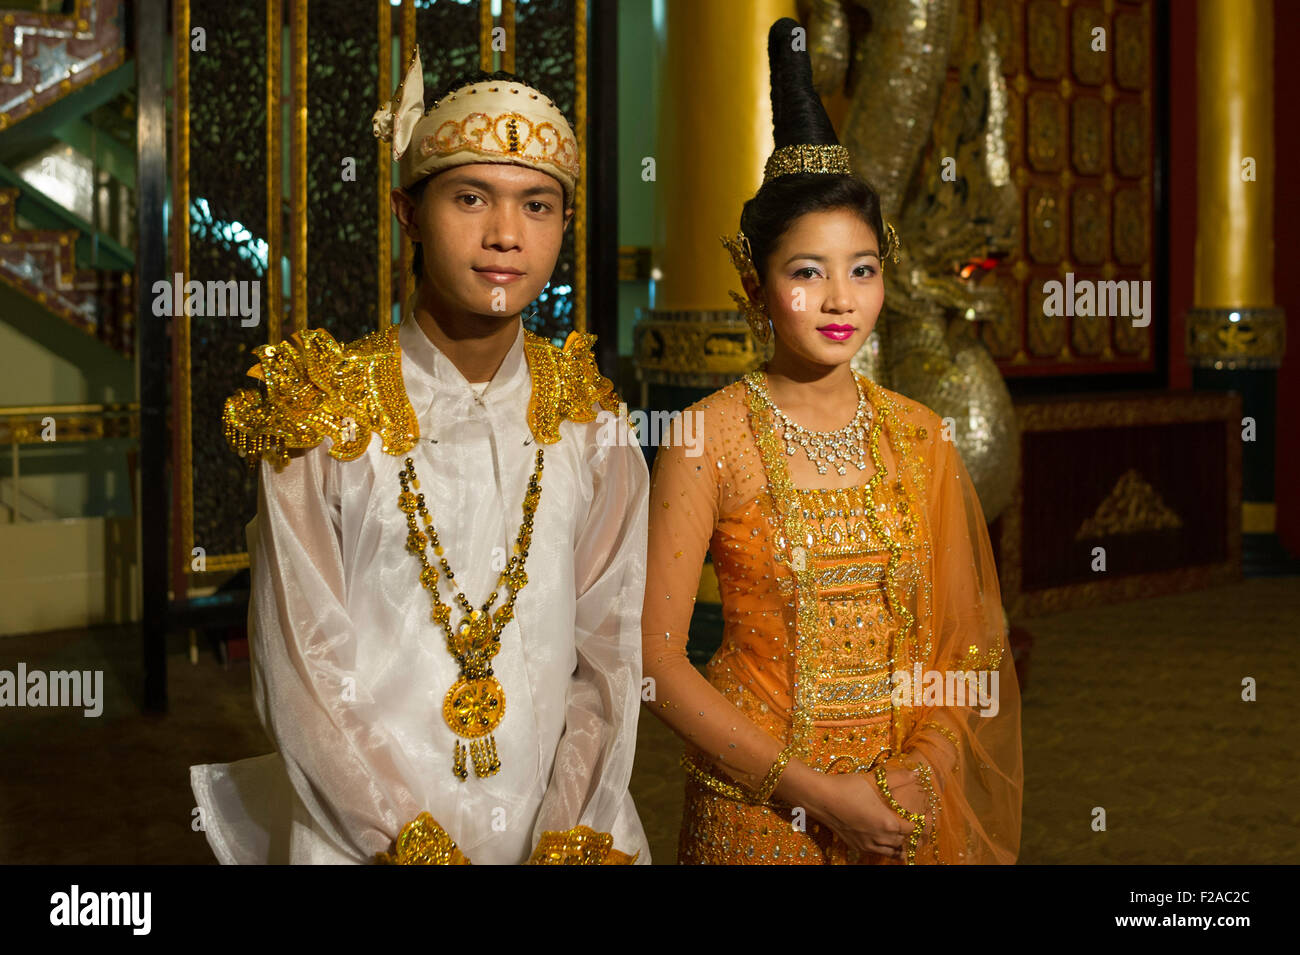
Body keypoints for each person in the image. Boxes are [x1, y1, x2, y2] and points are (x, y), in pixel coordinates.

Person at [190, 47, 649, 865]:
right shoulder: (322, 419)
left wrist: (569, 828)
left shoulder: (592, 426)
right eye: (471, 198)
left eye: (537, 205)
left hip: (561, 833)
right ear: (407, 212)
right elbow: (302, 666)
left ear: (565, 223)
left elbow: (609, 658)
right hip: (362, 838)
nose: (505, 234)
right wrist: (405, 841)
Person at [641, 18, 1022, 865]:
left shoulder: (921, 434)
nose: (840, 298)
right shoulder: (707, 435)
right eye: (806, 271)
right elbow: (657, 663)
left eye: (863, 268)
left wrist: (928, 764)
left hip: (903, 805)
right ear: (756, 282)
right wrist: (821, 794)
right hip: (760, 809)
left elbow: (967, 638)